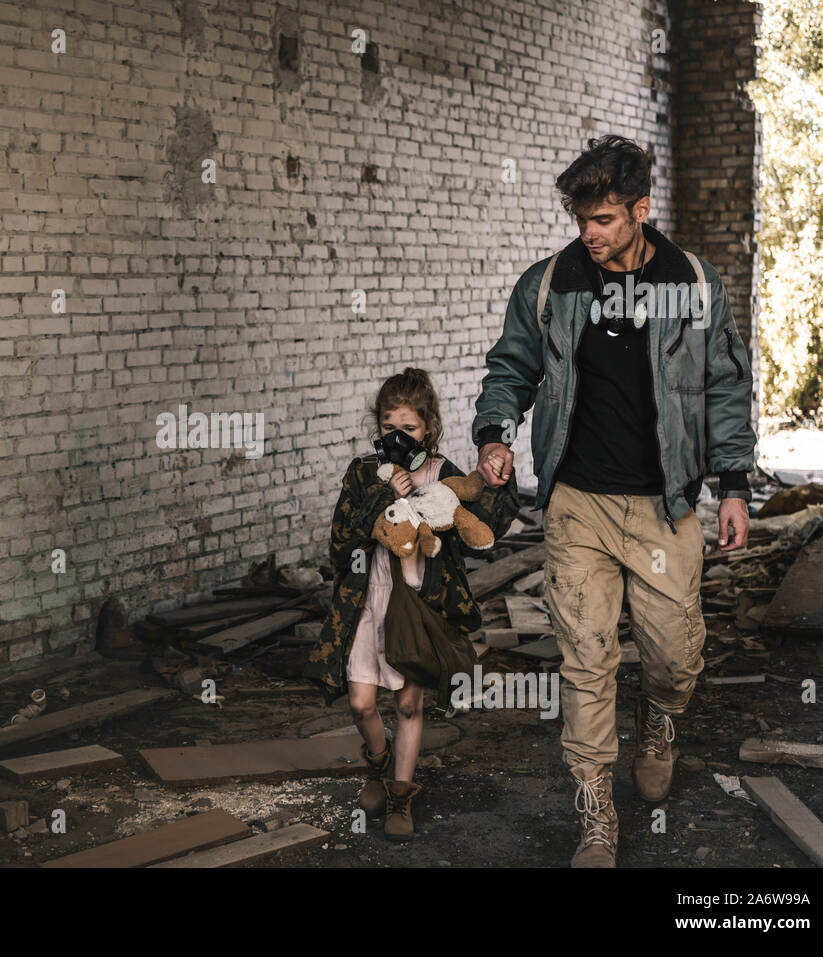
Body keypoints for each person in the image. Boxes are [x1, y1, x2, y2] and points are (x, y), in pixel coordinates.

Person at [471, 135, 755, 867]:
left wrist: (732, 484)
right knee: (587, 657)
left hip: (665, 504)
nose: (589, 233)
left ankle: (660, 716)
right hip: (577, 503)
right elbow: (511, 368)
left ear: (640, 209)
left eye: (602, 219)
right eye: (581, 219)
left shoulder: (692, 283)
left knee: (672, 656)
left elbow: (725, 383)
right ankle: (595, 810)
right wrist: (495, 434)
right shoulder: (550, 285)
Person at [304, 368, 519, 841]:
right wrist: (384, 496)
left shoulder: (445, 474)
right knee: (361, 703)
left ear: (428, 428)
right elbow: (340, 546)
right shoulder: (363, 473)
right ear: (377, 427)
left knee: (406, 703)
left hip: (419, 603)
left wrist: (501, 475)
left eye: (409, 429)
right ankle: (377, 764)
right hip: (367, 600)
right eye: (388, 428)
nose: (397, 437)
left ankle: (401, 795)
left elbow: (488, 525)